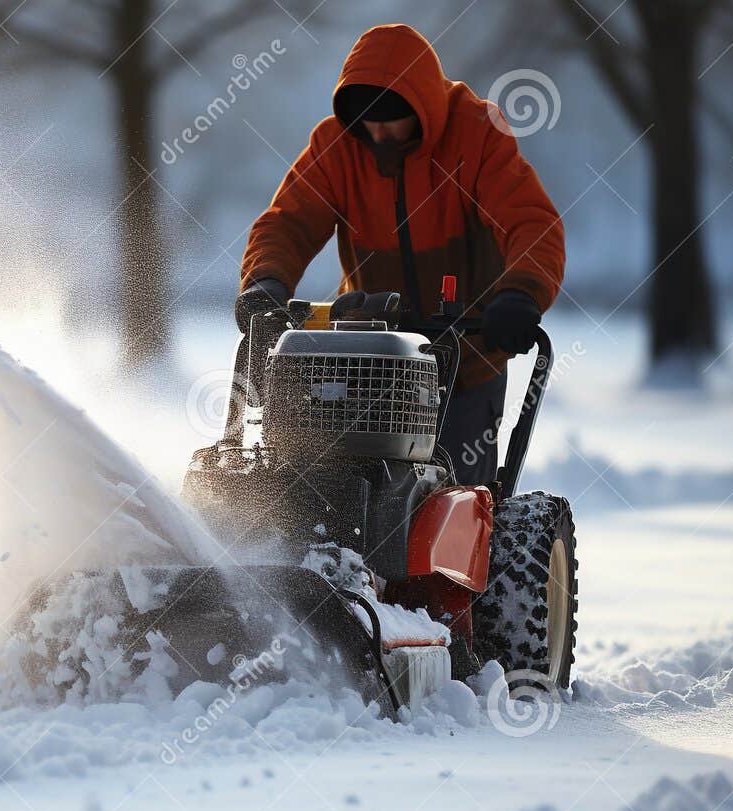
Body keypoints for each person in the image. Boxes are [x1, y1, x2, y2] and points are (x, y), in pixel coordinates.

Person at [236, 23, 565, 485]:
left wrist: (521, 293)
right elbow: (287, 222)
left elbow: (531, 222)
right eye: (366, 118)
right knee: (330, 489)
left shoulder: (477, 133)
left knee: (459, 496)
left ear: (423, 108)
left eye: (391, 117)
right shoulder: (337, 146)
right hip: (369, 357)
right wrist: (265, 281)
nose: (377, 131)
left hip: (465, 357)